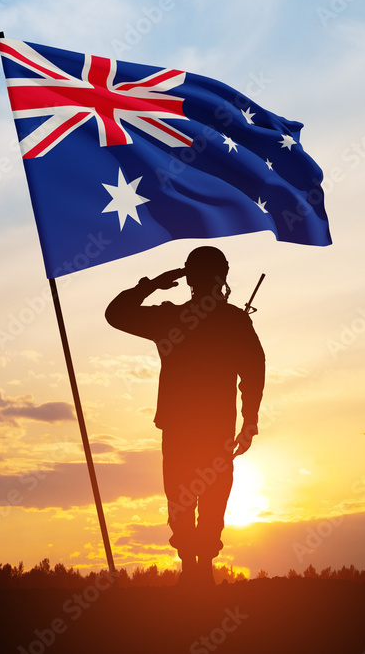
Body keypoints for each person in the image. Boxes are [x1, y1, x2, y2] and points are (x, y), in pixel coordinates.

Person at [105, 246, 265, 587]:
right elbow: (254, 371)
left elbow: (116, 313)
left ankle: (194, 569)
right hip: (214, 428)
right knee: (210, 497)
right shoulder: (233, 321)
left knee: (181, 496)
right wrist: (249, 420)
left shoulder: (172, 318)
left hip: (181, 428)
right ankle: (200, 569)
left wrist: (153, 284)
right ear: (223, 276)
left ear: (189, 277)